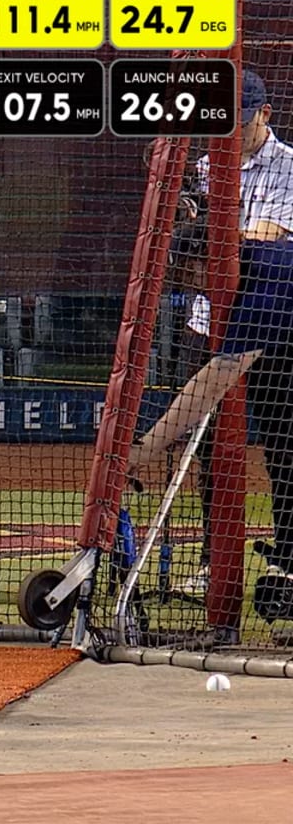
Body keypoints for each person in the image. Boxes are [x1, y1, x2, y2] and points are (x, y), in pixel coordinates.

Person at [135, 68, 293, 608]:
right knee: (209, 455)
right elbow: (197, 252)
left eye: (237, 120)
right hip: (214, 327)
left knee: (282, 450)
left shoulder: (286, 174)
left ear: (263, 116)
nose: (225, 131)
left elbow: (259, 240)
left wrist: (142, 449)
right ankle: (214, 562)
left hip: (271, 338)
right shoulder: (203, 167)